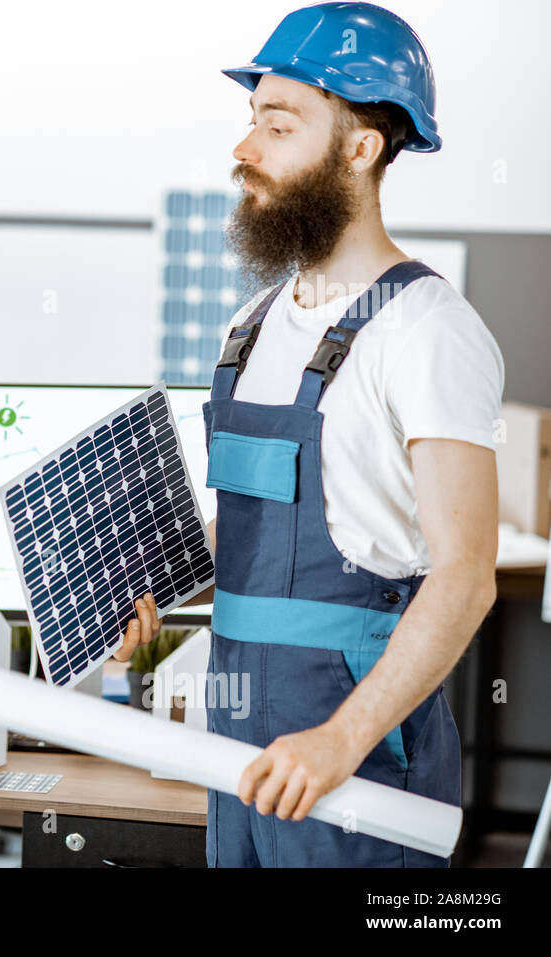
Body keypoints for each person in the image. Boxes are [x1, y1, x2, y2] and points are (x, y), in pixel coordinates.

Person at [134, 2, 501, 866]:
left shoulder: (429, 331)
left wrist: (340, 739)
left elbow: (464, 576)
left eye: (278, 123)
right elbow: (276, 532)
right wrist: (158, 588)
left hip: (358, 762)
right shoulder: (253, 325)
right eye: (249, 120)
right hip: (240, 752)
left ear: (359, 147)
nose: (244, 149)